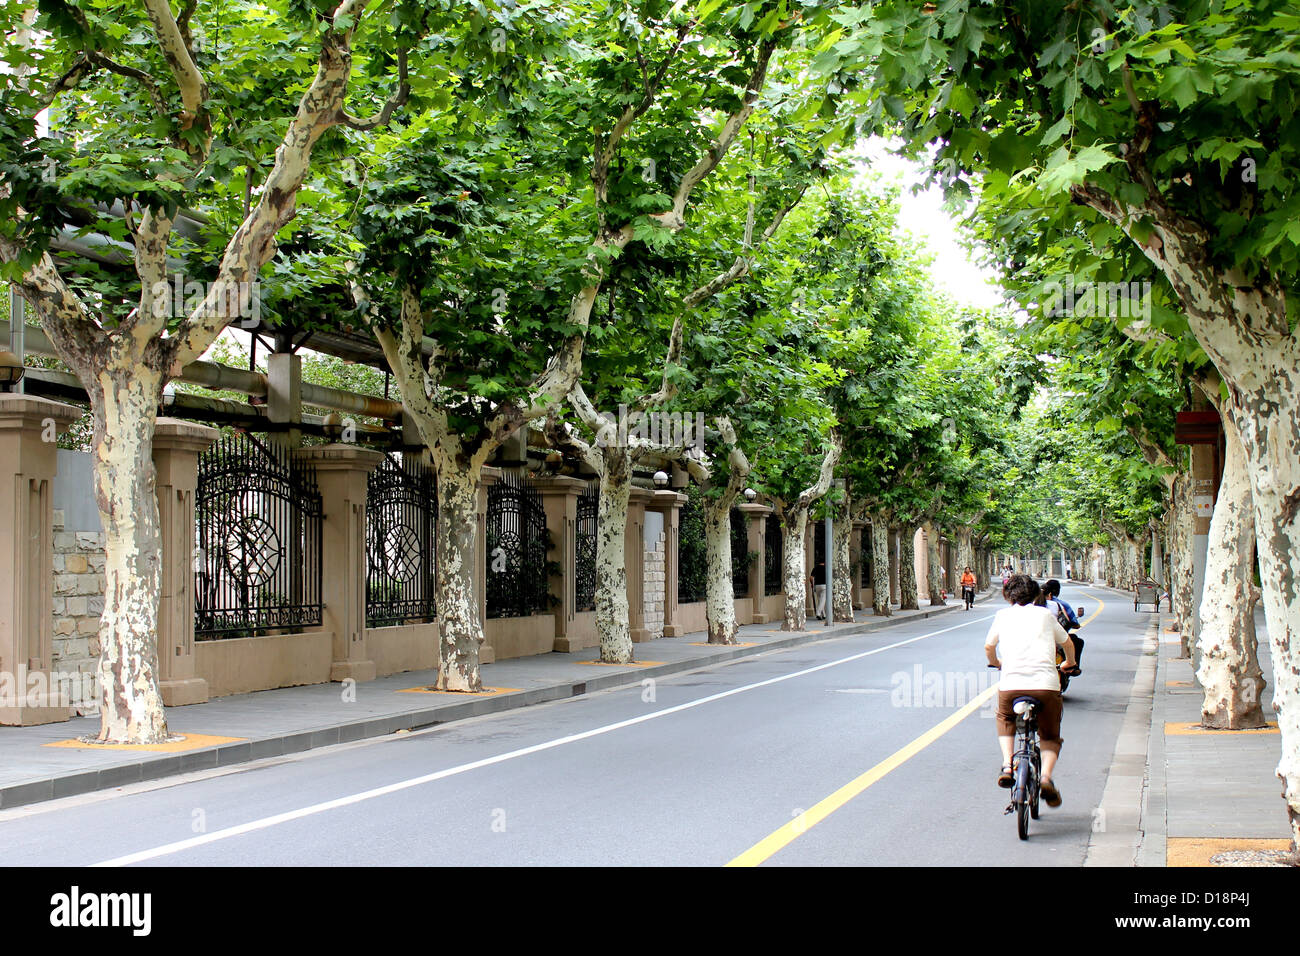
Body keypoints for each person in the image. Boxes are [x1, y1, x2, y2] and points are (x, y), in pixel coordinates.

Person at [985, 574, 1075, 807]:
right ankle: (1045, 777)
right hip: (1046, 685)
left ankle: (1007, 765)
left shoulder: (1002, 615)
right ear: (1036, 594)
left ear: (1008, 596)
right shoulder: (1045, 614)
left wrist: (996, 662)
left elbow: (989, 646)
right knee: (1050, 736)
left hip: (1011, 685)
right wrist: (1068, 663)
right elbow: (1067, 643)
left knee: (1005, 717)